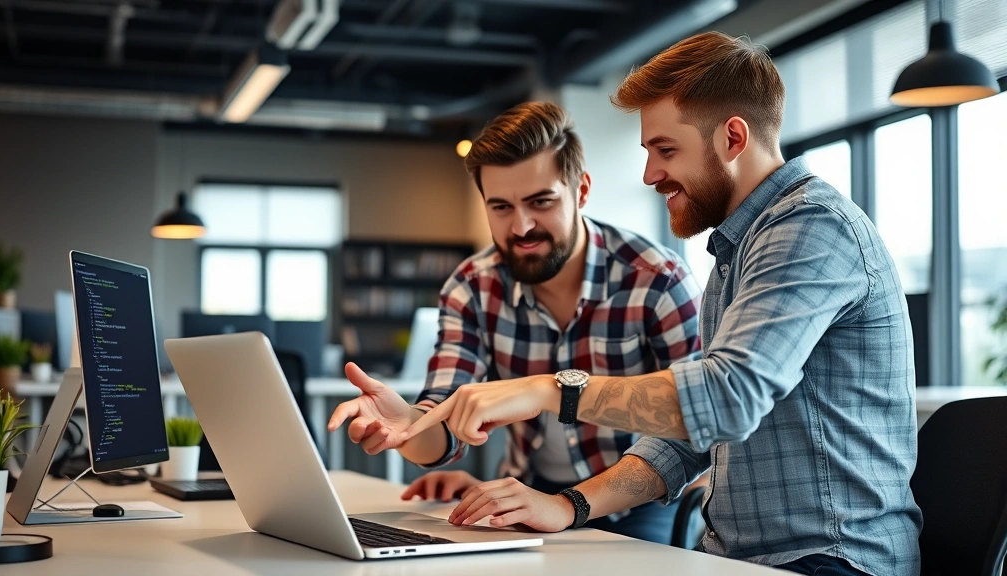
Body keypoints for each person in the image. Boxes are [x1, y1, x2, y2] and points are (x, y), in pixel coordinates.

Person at [395, 32, 923, 576]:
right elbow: (694, 435)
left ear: (733, 138)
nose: (650, 175)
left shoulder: (810, 228)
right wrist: (568, 505)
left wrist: (550, 389)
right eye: (649, 152)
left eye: (665, 150)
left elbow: (725, 399)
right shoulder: (737, 252)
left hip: (832, 560)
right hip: (740, 558)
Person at [328, 101, 704, 544]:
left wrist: (570, 505)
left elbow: (698, 424)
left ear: (581, 190)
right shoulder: (472, 287)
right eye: (501, 207)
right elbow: (442, 422)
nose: (521, 226)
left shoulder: (657, 281)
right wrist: (407, 426)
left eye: (540, 202)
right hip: (527, 495)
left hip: (638, 502)